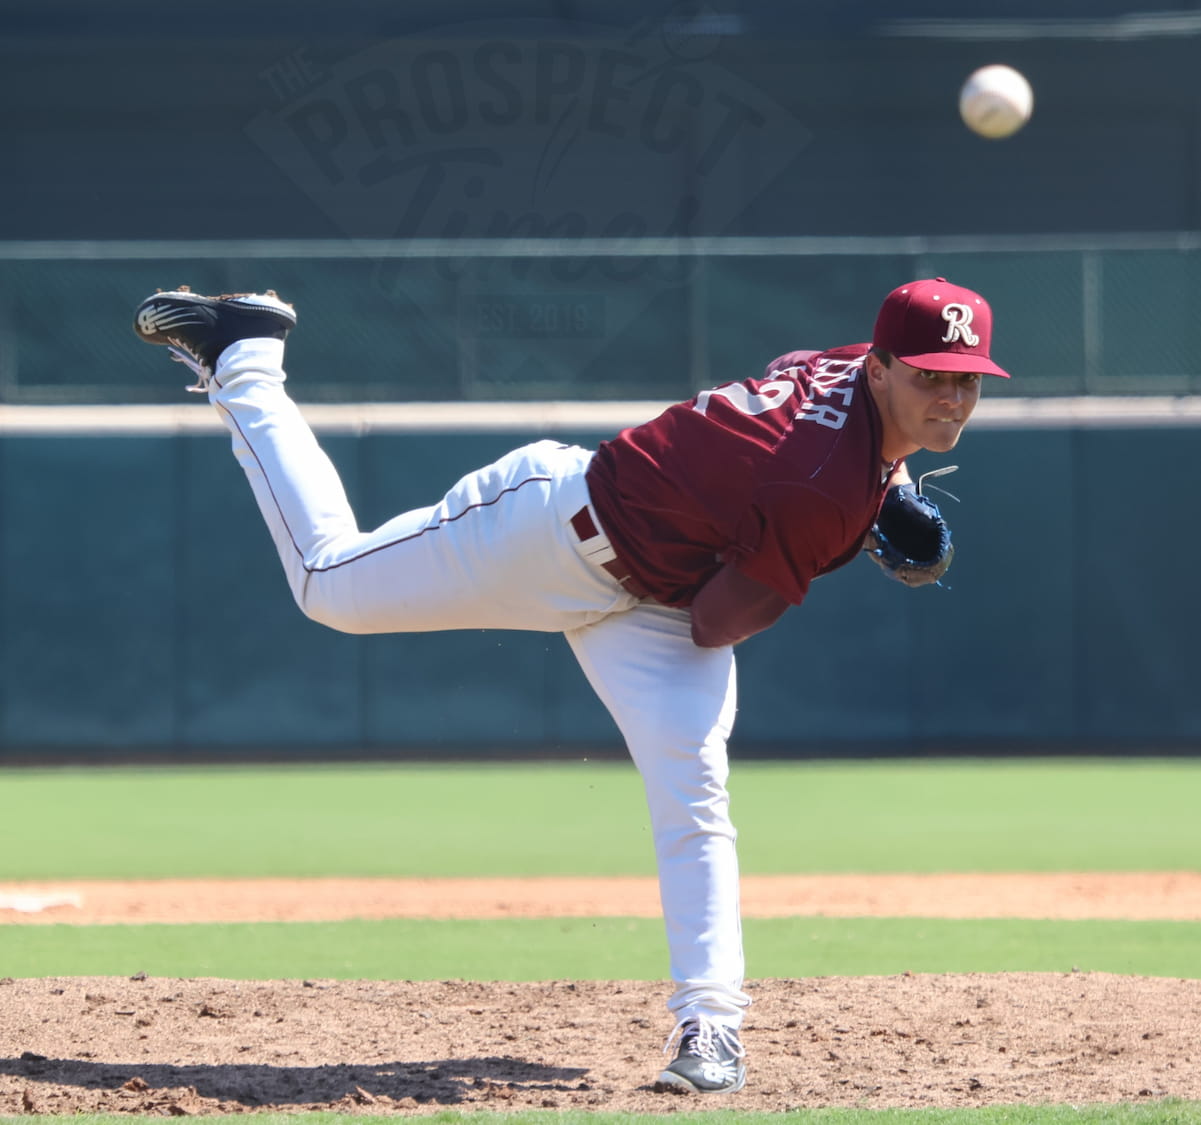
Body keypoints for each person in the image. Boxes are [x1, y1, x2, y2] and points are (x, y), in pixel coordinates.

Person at [133, 275, 1010, 1095]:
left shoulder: (844, 374)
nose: (951, 395)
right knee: (328, 583)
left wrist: (881, 485)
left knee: (694, 788)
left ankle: (711, 1025)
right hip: (550, 533)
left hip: (656, 586)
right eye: (929, 375)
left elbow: (798, 388)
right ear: (881, 365)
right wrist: (853, 524)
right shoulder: (818, 489)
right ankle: (247, 356)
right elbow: (718, 622)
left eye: (966, 377)